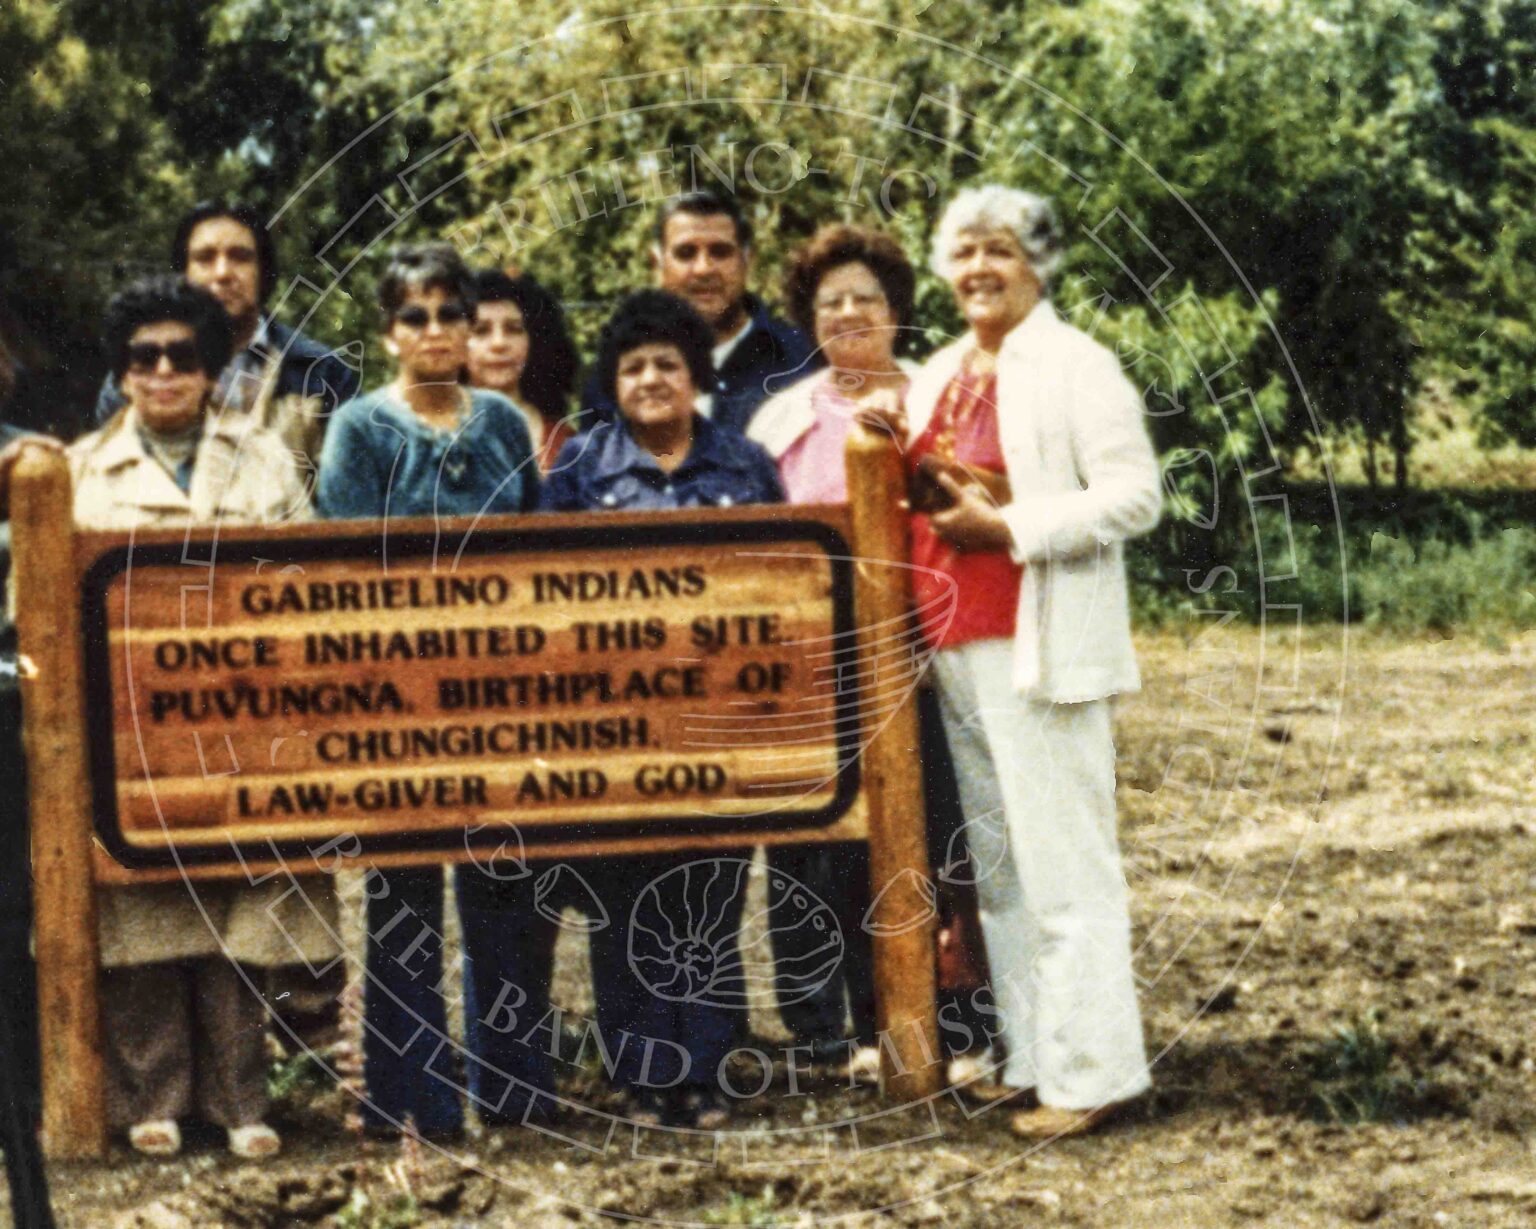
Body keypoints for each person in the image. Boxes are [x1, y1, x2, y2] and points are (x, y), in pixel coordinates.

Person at [878, 186, 1160, 1139]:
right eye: (961, 252)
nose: (977, 270)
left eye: (997, 250)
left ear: (1040, 260)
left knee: (1063, 863)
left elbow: (1133, 496)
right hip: (954, 643)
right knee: (998, 870)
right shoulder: (944, 370)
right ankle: (1033, 1054)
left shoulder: (1079, 365)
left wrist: (1010, 525)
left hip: (1038, 642)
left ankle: (1098, 1073)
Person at [69, 275, 338, 1159]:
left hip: (242, 722)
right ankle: (153, 1097)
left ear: (212, 366)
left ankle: (238, 1099)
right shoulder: (76, 470)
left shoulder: (263, 460)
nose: (163, 371)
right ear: (123, 370)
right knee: (144, 910)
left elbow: (307, 581)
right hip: (128, 730)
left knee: (237, 912)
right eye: (144, 356)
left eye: (182, 354)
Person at [525, 289, 782, 1129]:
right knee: (625, 894)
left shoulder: (747, 465)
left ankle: (706, 1069)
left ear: (695, 373)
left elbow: (789, 586)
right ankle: (640, 1072)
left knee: (708, 892)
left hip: (723, 723)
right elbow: (546, 605)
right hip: (614, 727)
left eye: (667, 363)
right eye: (633, 366)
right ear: (613, 379)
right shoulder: (577, 472)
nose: (650, 379)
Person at [315, 243, 539, 1141]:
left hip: (498, 685)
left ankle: (516, 1089)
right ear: (388, 331)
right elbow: (342, 555)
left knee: (502, 880)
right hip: (396, 688)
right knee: (402, 894)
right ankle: (409, 1096)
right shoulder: (360, 427)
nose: (437, 330)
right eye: (416, 316)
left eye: (453, 313)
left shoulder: (504, 423)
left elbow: (532, 547)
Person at [747, 224, 919, 1076]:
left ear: (896, 310)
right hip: (815, 660)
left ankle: (929, 1014)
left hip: (924, 650)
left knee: (923, 829)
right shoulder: (783, 416)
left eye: (866, 298)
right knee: (817, 842)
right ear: (808, 319)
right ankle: (825, 1030)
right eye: (831, 302)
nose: (850, 312)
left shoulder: (936, 399)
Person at [96, 200, 360, 471]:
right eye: (205, 258)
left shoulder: (323, 373)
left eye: (240, 257)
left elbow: (343, 496)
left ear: (263, 271)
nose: (222, 273)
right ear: (183, 272)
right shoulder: (138, 376)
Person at [582, 190, 814, 435]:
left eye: (720, 252)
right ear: (657, 264)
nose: (703, 269)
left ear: (748, 261)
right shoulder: (617, 374)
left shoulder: (801, 359)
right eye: (686, 253)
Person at [465, 270, 581, 472]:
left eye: (514, 329)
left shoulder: (568, 446)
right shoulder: (430, 438)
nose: (499, 344)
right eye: (481, 331)